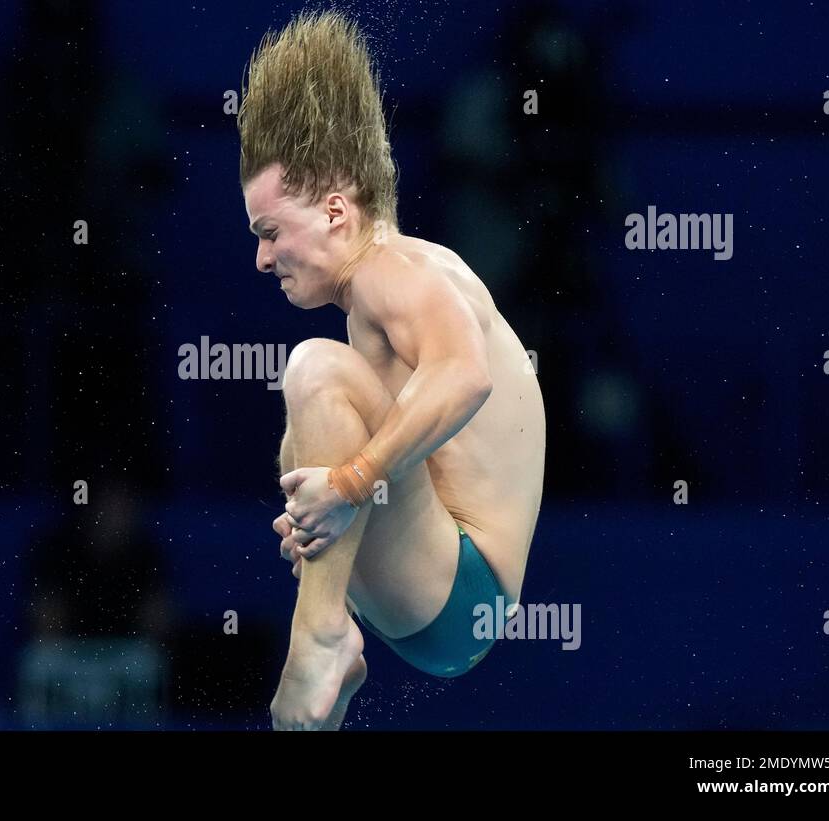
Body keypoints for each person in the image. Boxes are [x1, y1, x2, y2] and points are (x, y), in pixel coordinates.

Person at [237, 10, 546, 730]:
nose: (260, 258)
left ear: (338, 210)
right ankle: (332, 616)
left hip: (465, 589)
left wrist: (347, 485)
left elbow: (466, 375)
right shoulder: (382, 287)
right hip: (445, 595)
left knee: (316, 370)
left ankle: (320, 633)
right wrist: (325, 522)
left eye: (270, 231)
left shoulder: (393, 270)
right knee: (308, 428)